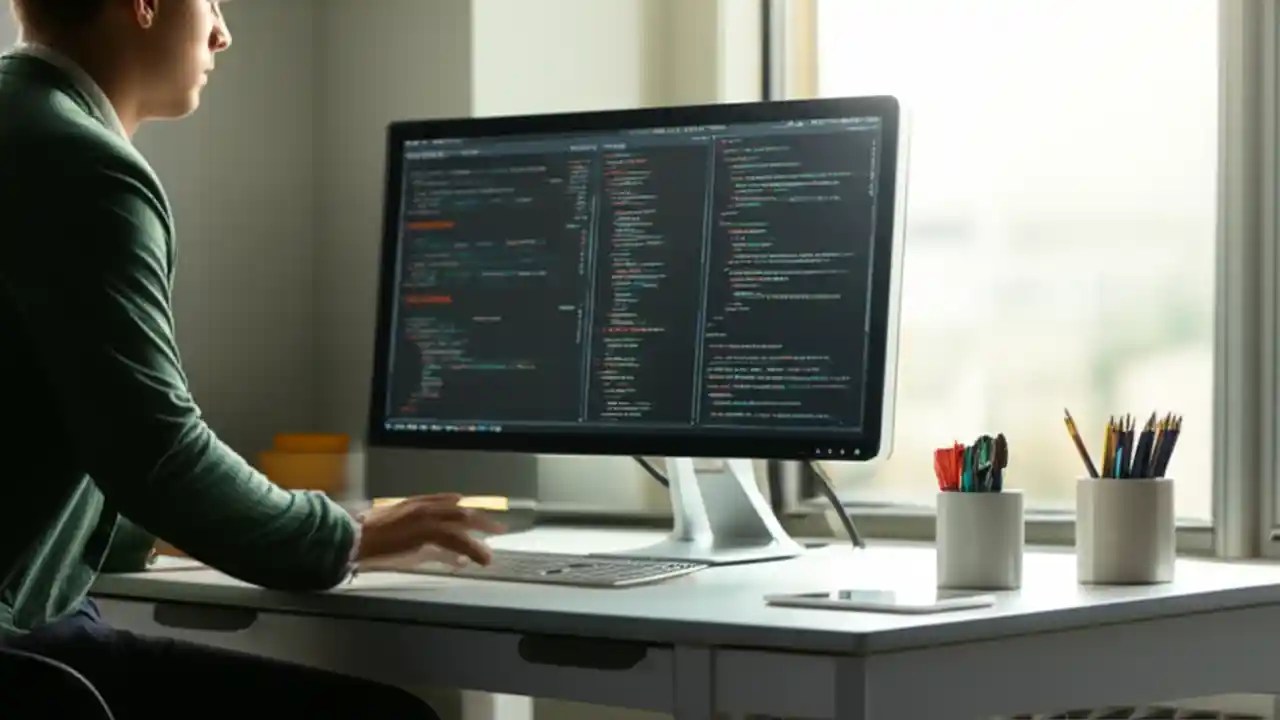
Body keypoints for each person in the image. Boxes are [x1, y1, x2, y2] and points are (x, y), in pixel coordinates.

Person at [0, 1, 503, 715]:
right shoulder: (84, 166)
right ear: (141, 6)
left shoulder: (20, 122)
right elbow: (156, 455)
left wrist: (169, 533)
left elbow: (50, 426)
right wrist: (347, 535)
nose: (222, 31)